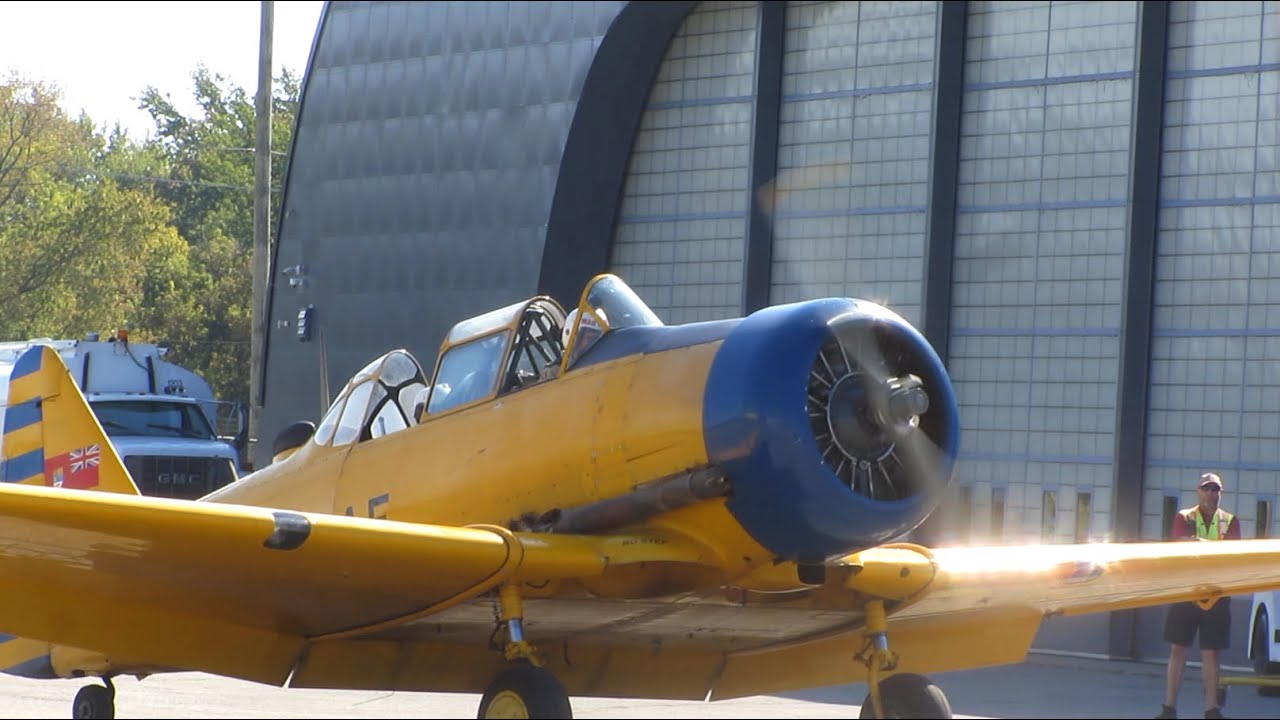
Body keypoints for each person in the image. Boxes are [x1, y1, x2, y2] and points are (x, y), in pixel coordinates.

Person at [1155, 472, 1241, 720]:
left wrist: (1198, 543)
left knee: (1212, 653)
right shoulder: (1184, 516)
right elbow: (1181, 545)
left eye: (1215, 490)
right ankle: (1169, 708)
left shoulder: (1230, 520)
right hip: (1187, 592)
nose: (1211, 494)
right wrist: (1210, 547)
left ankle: (1211, 710)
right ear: (1198, 491)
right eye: (1207, 489)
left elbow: (1233, 554)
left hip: (1216, 595)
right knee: (1178, 650)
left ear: (1220, 493)